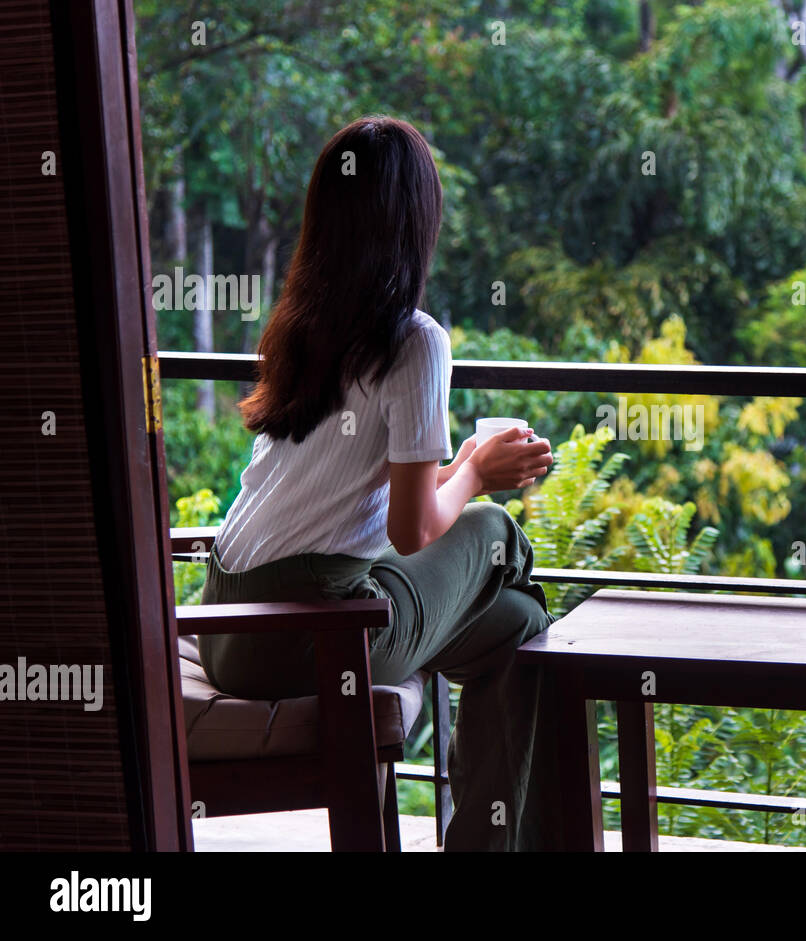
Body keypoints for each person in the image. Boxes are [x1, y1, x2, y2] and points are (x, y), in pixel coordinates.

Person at [197, 115, 562, 851]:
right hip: (308, 640)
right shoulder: (415, 341)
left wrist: (460, 468)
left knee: (519, 630)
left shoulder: (300, 324)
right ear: (416, 222)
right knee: (496, 533)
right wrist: (481, 473)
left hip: (227, 622)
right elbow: (414, 530)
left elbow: (399, 518)